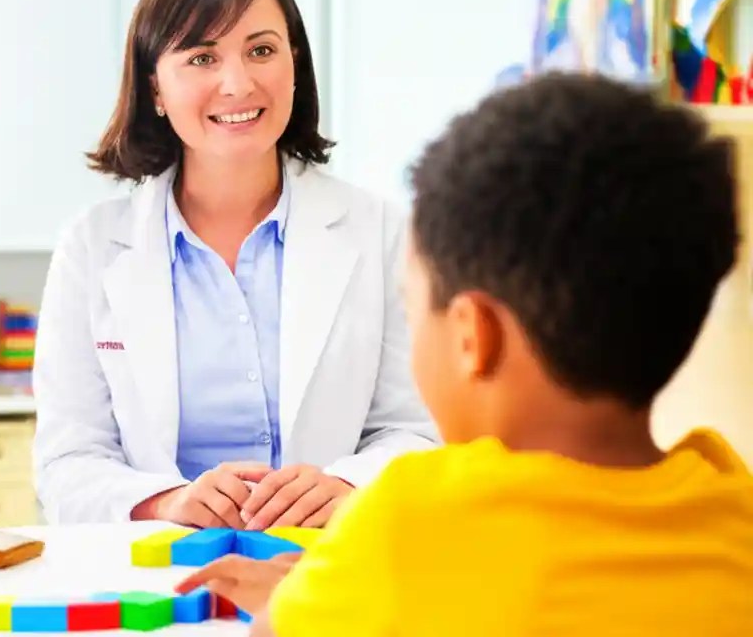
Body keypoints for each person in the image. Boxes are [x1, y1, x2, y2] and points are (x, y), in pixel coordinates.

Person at [175, 72, 753, 635]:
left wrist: (323, 584)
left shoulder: (410, 521)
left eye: (414, 303)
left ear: (474, 337)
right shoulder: (732, 503)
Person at [31, 0, 439, 529]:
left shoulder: (381, 232)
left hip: (325, 567)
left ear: (294, 63)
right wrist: (166, 502)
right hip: (157, 572)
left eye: (262, 50)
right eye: (201, 58)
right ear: (155, 89)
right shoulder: (93, 248)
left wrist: (347, 484)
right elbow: (68, 462)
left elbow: (420, 429)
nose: (236, 83)